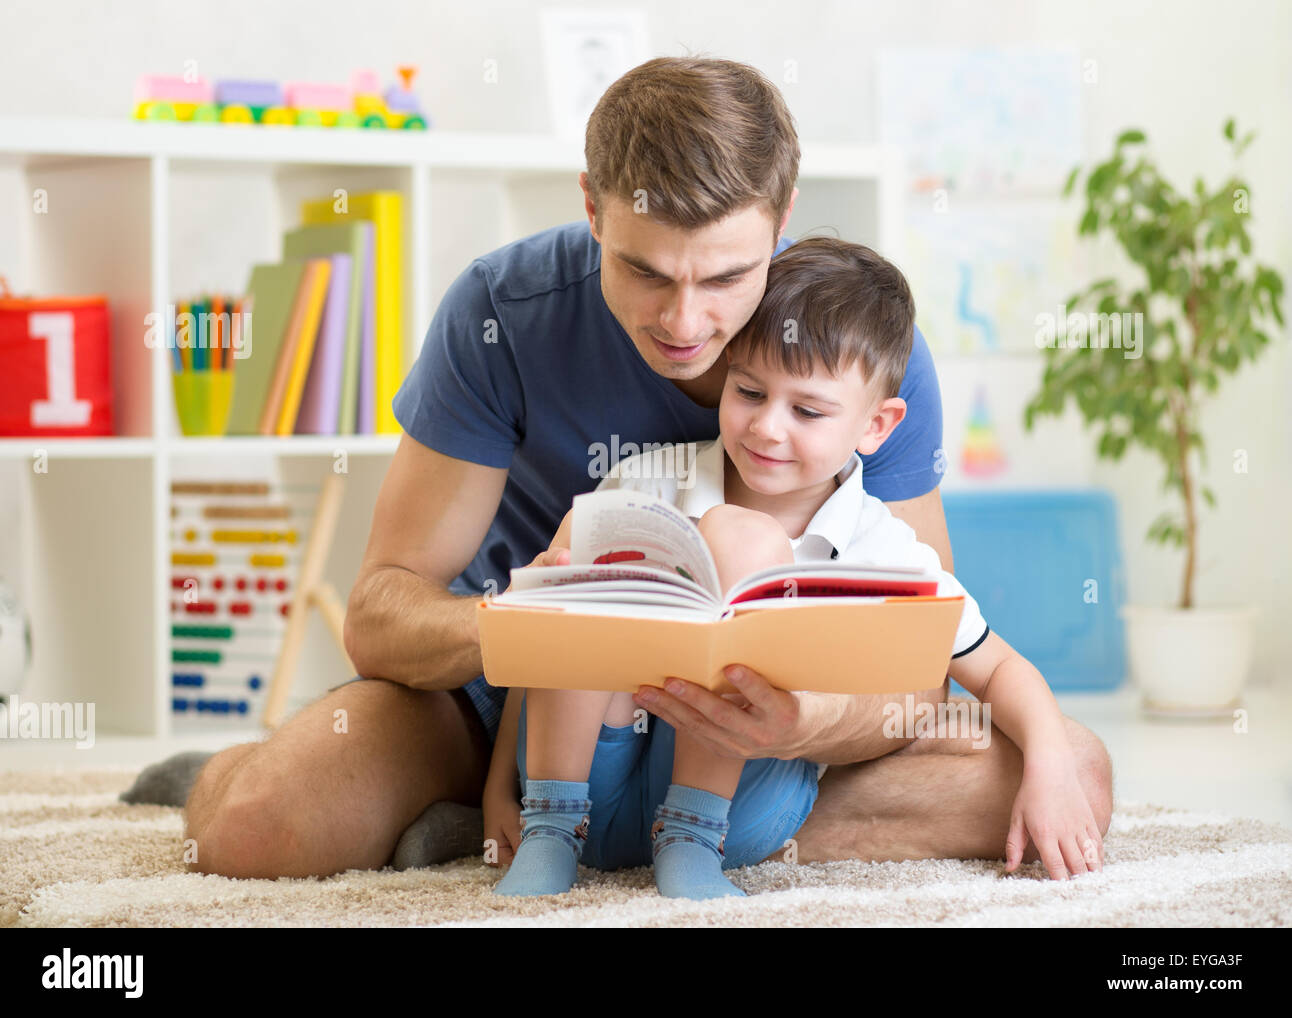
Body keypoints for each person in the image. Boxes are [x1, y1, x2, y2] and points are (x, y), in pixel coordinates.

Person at [183, 57, 1112, 883]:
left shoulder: (857, 358)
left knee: (1072, 768)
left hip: (751, 740)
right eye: (645, 272)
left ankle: (646, 835)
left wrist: (798, 724)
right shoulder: (500, 310)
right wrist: (535, 623)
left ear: (781, 221)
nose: (683, 321)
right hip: (502, 697)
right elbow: (382, 616)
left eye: (723, 279)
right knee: (255, 830)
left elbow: (918, 670)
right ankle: (521, 803)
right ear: (592, 207)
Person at [488, 238, 1104, 899]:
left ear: (876, 425)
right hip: (588, 775)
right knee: (588, 532)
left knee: (744, 544)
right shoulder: (647, 480)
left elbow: (1000, 668)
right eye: (749, 391)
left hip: (739, 810)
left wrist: (1050, 763)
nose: (767, 428)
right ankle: (549, 829)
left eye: (807, 410)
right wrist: (497, 788)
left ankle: (689, 841)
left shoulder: (884, 548)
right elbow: (546, 639)